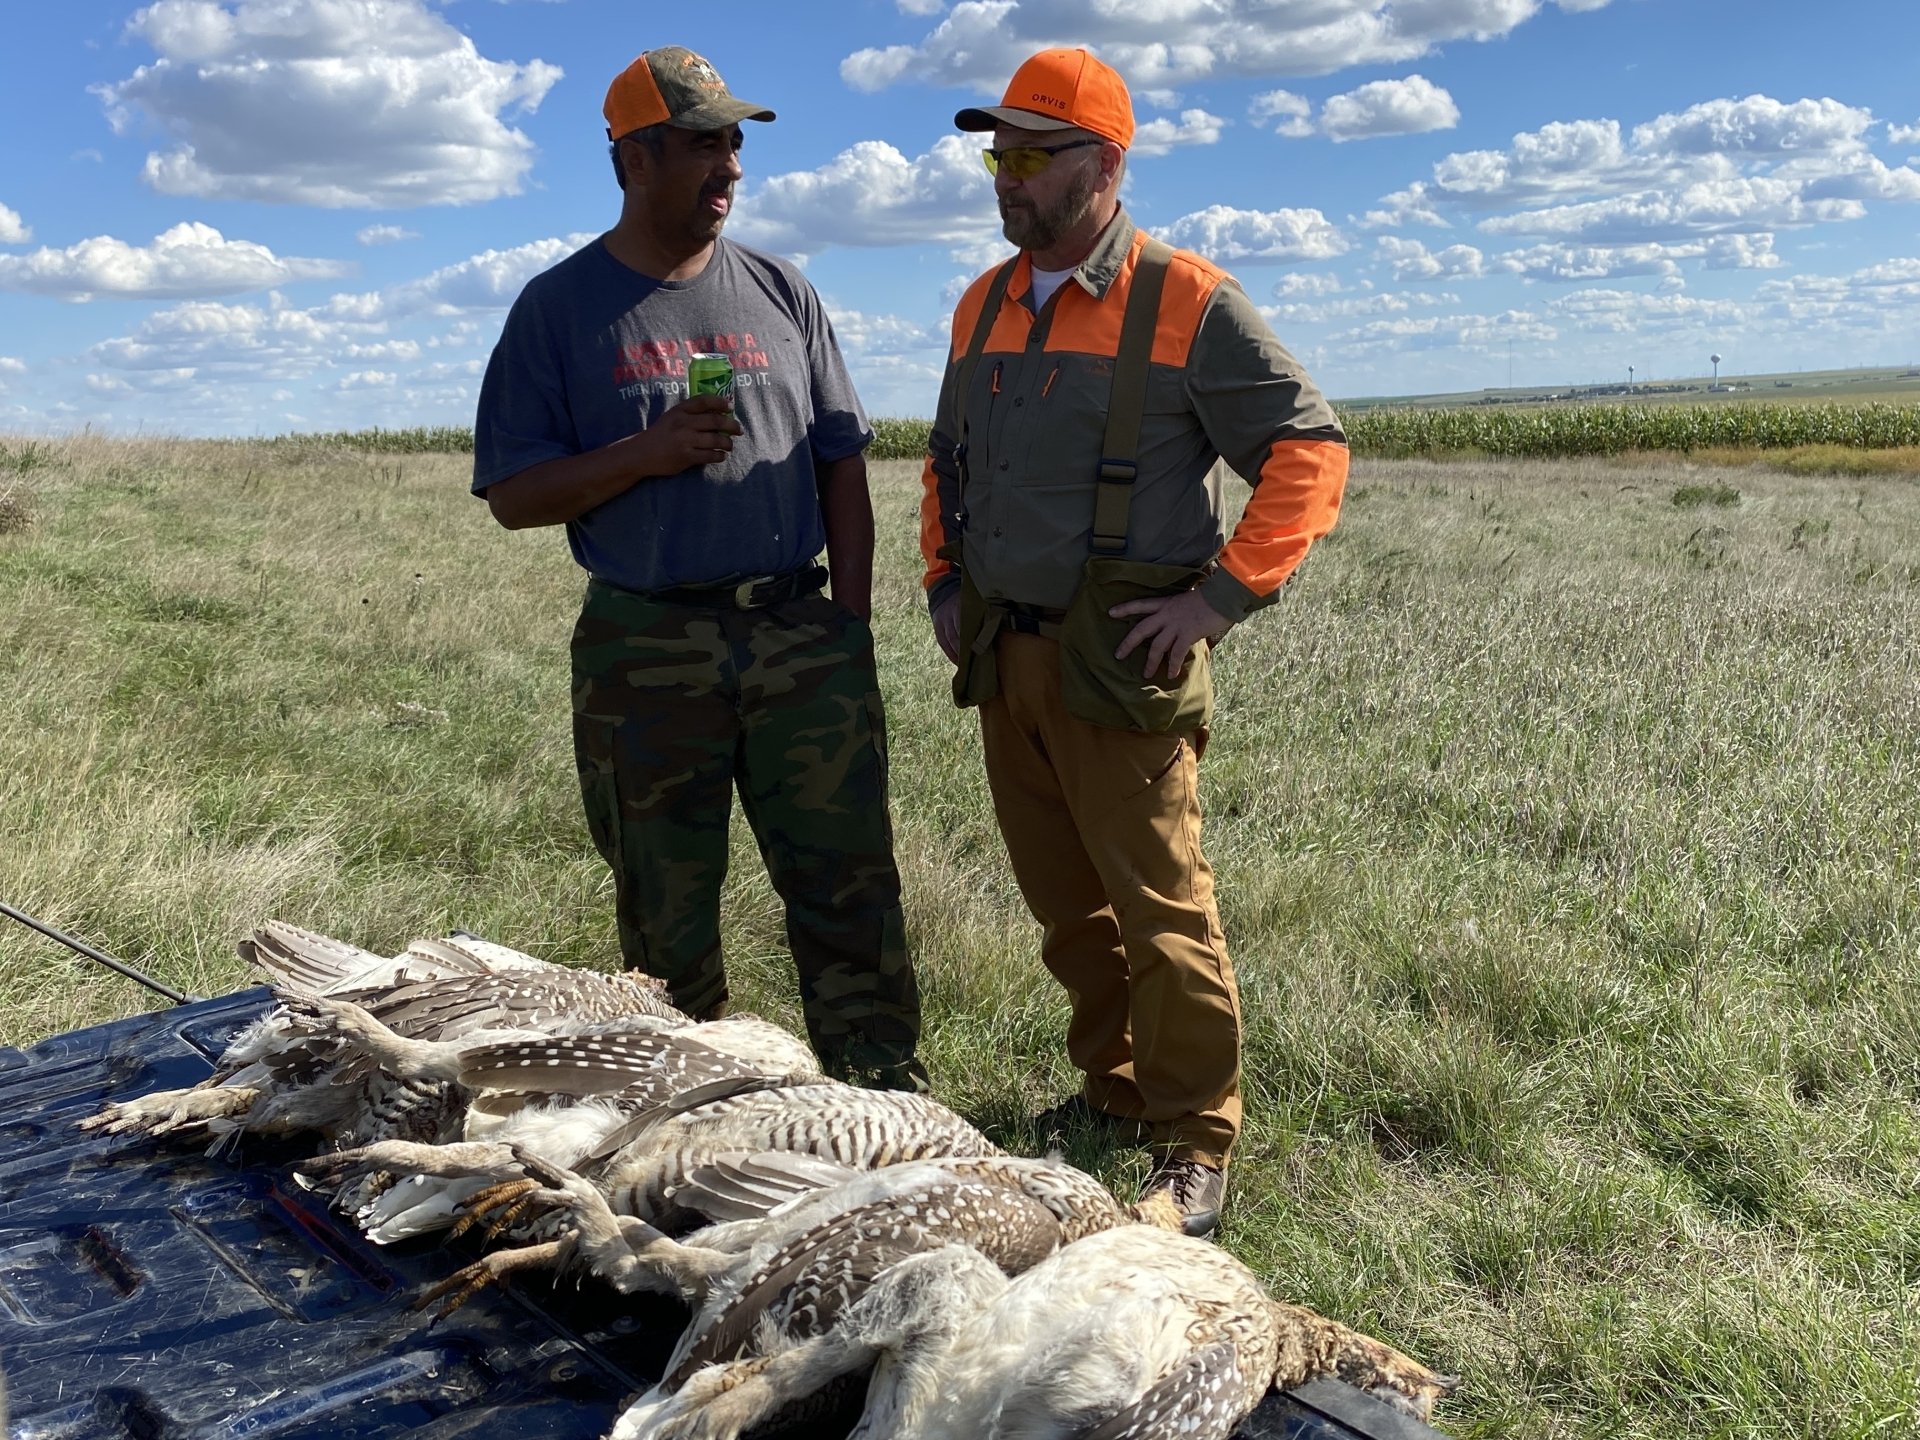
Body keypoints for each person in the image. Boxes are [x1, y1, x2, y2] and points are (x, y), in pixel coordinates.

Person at [920, 47, 1349, 1234]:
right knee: (1066, 906)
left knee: (1162, 909)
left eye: (1030, 154)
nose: (1005, 176)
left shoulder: (1189, 302)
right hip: (1003, 658)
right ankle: (1114, 1091)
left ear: (1103, 166)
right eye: (996, 153)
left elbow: (1309, 452)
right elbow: (947, 462)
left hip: (1125, 661)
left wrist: (1217, 602)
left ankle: (1195, 1142)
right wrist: (943, 581)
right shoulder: (984, 301)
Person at [473, 46, 925, 1091]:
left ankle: (881, 1096)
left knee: (848, 885)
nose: (728, 164)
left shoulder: (780, 288)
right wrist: (646, 453)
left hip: (797, 636)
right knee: (664, 903)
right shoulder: (559, 310)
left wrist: (846, 623)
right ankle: (685, 1103)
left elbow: (842, 461)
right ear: (633, 159)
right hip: (647, 646)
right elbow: (511, 497)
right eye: (701, 143)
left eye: (735, 141)